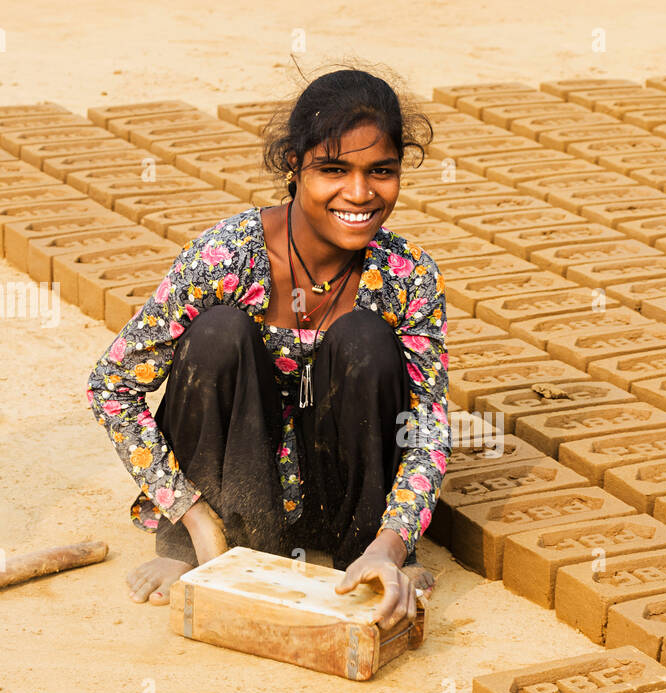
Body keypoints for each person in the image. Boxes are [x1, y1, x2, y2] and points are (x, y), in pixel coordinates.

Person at [85, 67, 449, 630]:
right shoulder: (225, 256)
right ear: (293, 167)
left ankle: (365, 558)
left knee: (364, 338)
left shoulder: (407, 276)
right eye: (333, 170)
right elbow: (112, 386)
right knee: (219, 332)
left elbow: (426, 427)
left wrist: (392, 544)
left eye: (381, 171)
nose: (359, 194)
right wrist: (191, 514)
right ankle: (193, 549)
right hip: (233, 498)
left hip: (342, 506)